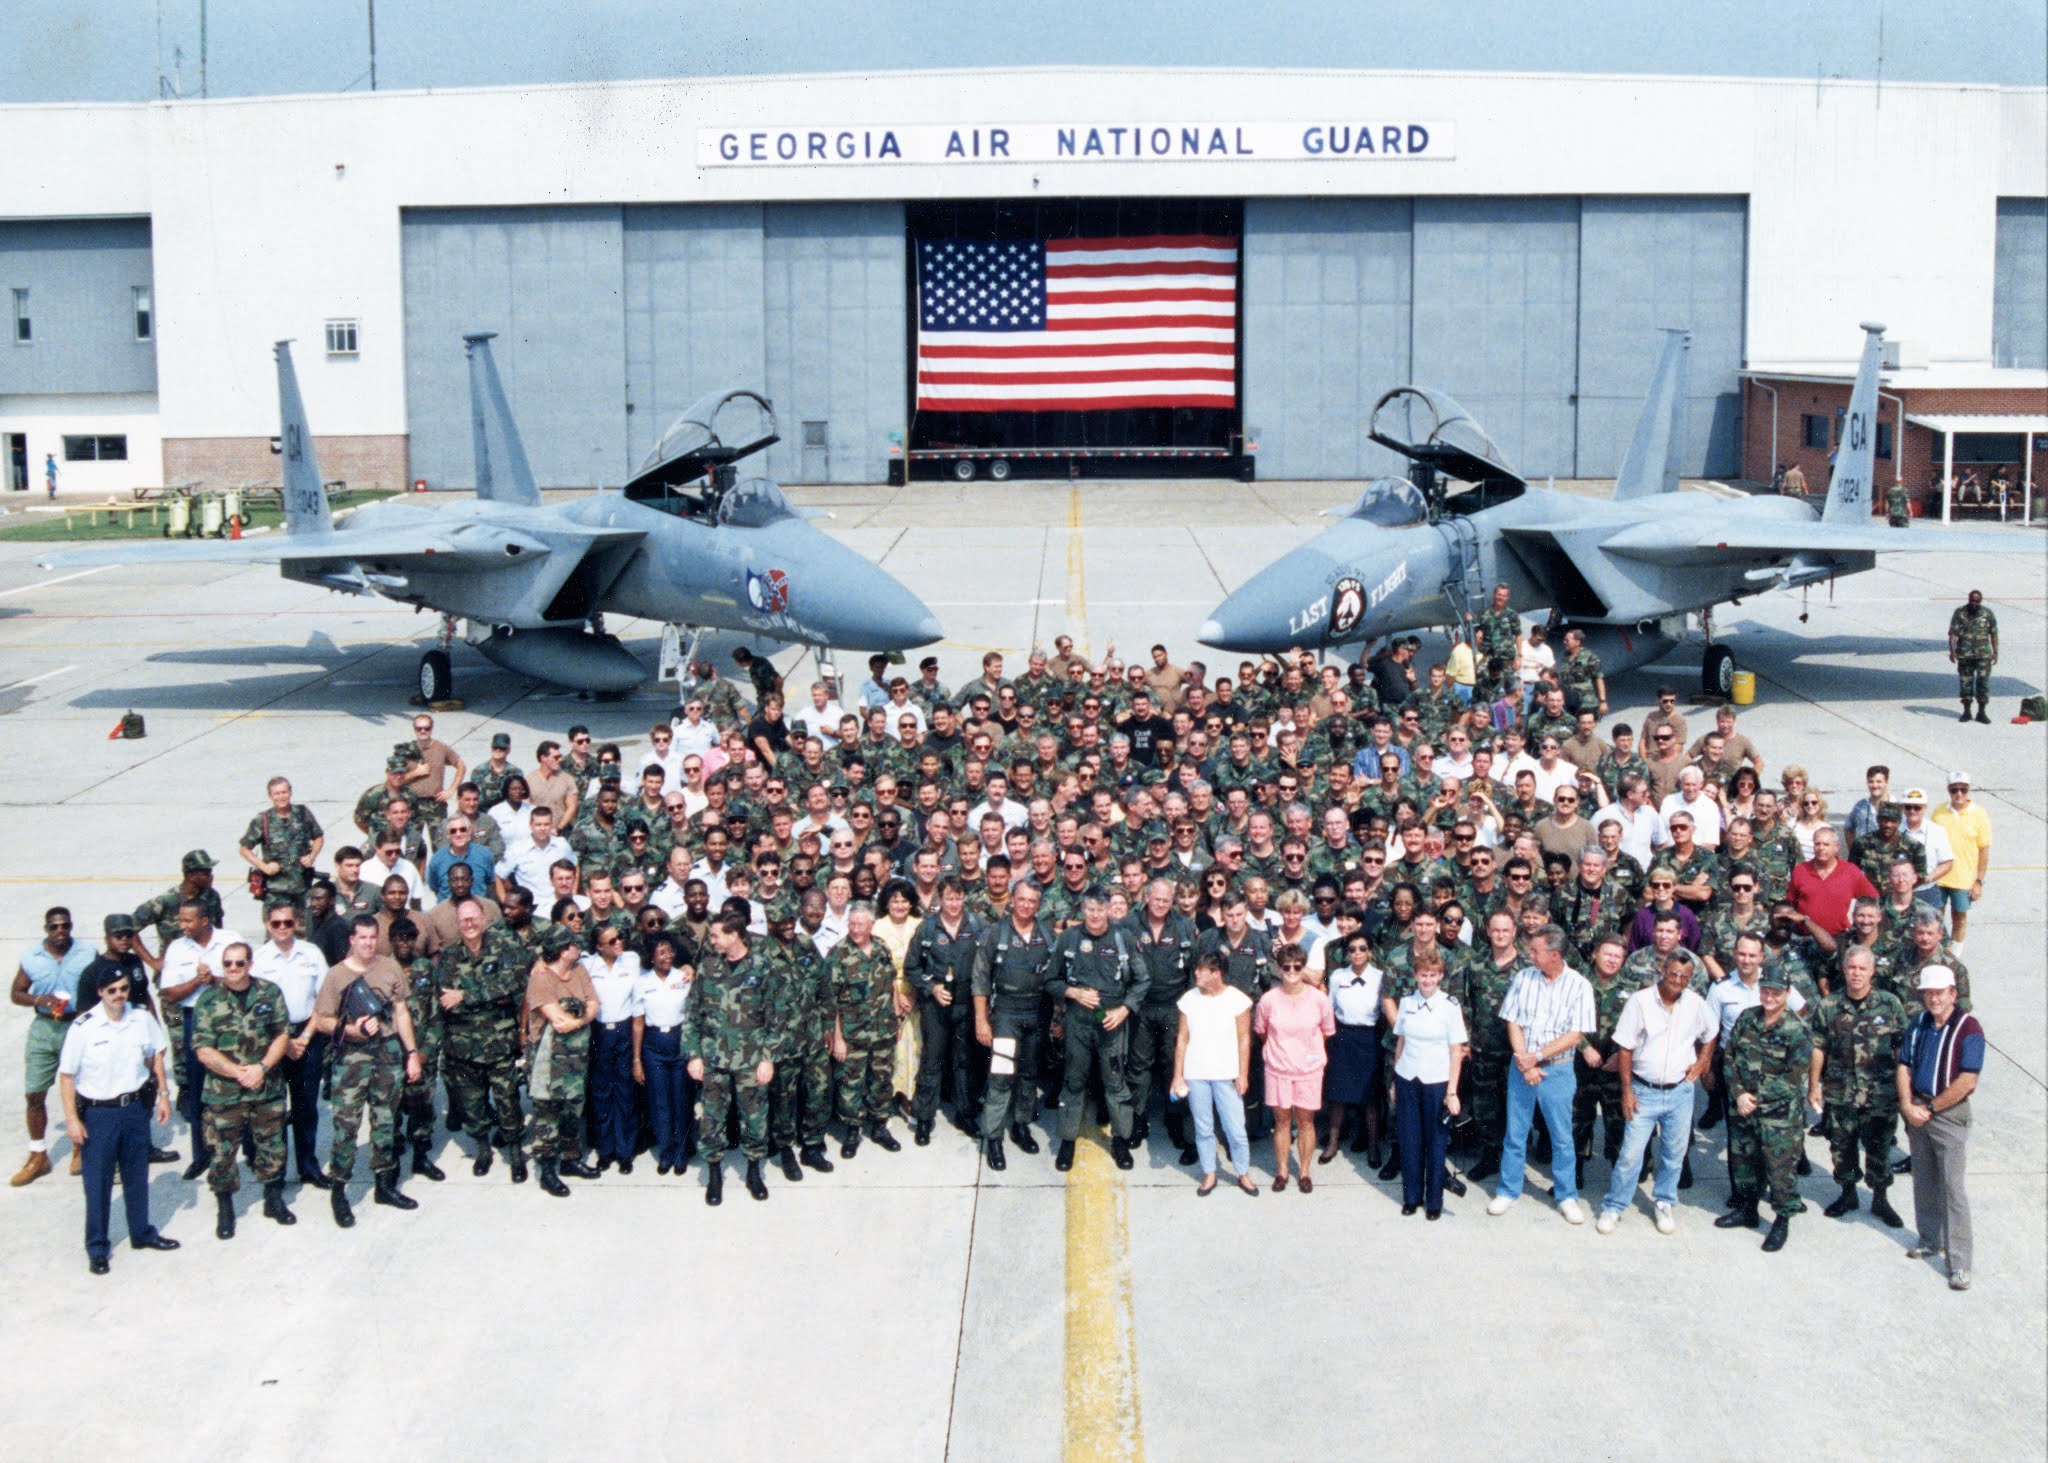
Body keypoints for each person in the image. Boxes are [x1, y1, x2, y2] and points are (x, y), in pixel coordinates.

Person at [57, 964, 179, 1273]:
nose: (119, 995)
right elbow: (67, 1077)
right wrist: (72, 1120)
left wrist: (164, 1094)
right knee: (97, 1183)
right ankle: (97, 1247)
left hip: (135, 1109)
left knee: (137, 1175)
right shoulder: (83, 1027)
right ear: (100, 992)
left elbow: (156, 1056)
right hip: (99, 1114)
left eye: (123, 989)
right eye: (112, 991)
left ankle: (141, 1232)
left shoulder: (140, 1018)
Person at [314, 915, 425, 1226]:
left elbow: (401, 1011)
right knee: (346, 1125)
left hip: (388, 1053)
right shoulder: (336, 975)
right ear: (351, 939)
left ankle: (384, 1185)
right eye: (361, 938)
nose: (367, 943)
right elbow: (322, 1020)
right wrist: (352, 1029)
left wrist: (412, 1053)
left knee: (385, 1120)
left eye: (372, 938)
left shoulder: (389, 968)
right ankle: (339, 1189)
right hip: (351, 1058)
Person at [1596, 952, 1716, 1234]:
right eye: (1673, 974)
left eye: (1684, 977)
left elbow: (1711, 1033)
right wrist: (1626, 1090)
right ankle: (1614, 1205)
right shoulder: (1641, 1001)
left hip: (1680, 1093)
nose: (1677, 981)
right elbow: (1625, 1047)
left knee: (1674, 1154)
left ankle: (1664, 1202)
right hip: (1643, 1091)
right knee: (1630, 1155)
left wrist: (1702, 1062)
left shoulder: (1696, 1003)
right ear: (1663, 969)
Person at [1486, 926, 1596, 1224]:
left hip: (1557, 1071)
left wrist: (1537, 1058)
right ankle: (1508, 1190)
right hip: (1522, 1069)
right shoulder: (1524, 978)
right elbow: (1513, 1022)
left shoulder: (1579, 986)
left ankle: (1567, 1195)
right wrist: (1526, 1063)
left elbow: (1576, 1034)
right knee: (1515, 1133)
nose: (1529, 955)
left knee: (1562, 1137)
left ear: (1555, 955)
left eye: (1535, 951)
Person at [190, 940, 296, 1238]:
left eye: (239, 963)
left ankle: (273, 1201)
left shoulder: (269, 992)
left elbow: (282, 1034)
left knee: (273, 1147)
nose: (233, 969)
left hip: (267, 1088)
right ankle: (225, 1209)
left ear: (250, 964)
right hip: (225, 1093)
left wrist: (261, 1068)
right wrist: (239, 1072)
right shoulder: (209, 1000)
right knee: (222, 1154)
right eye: (227, 964)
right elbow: (203, 1049)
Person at [1808, 945, 1908, 1227]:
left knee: (1879, 1147)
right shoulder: (1828, 1006)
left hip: (1880, 1094)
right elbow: (1818, 1048)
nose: (1856, 974)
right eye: (1851, 967)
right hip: (1841, 1093)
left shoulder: (1889, 1004)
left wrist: (1904, 1091)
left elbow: (1902, 1049)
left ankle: (1880, 1199)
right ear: (1843, 969)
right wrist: (1813, 1085)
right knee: (1842, 1147)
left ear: (1872, 972)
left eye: (1862, 968)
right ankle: (1848, 1194)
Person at [1897, 965, 1983, 1290]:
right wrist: (1907, 1105)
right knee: (1924, 1177)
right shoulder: (1918, 1023)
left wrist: (1930, 1108)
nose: (1933, 998)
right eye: (1928, 993)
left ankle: (1959, 1264)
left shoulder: (1969, 1028)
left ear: (1953, 994)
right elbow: (1904, 1065)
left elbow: (1968, 1081)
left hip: (1947, 1114)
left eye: (1939, 992)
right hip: (1916, 1109)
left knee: (1952, 1188)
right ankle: (1929, 1239)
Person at [1047, 890, 1146, 1172]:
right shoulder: (1069, 939)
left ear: (1108, 911)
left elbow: (1142, 980)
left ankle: (1120, 1140)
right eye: (1089, 909)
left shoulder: (1122, 938)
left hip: (1110, 1022)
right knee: (1074, 1081)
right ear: (1083, 909)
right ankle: (1067, 1141)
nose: (1094, 915)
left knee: (1114, 1082)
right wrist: (1073, 992)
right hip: (1078, 1022)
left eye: (1100, 909)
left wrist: (1125, 1009)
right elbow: (1050, 980)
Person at [1715, 966, 1812, 1252]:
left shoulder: (1798, 1030)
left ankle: (1782, 1221)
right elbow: (1729, 1056)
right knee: (1744, 1162)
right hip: (1743, 1108)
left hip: (1778, 1116)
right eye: (1765, 990)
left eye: (1776, 992)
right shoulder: (1747, 1018)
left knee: (1779, 1169)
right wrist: (1738, 1093)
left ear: (1787, 994)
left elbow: (1794, 1079)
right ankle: (1747, 1209)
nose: (1769, 997)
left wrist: (1754, 1098)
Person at [687, 913, 779, 1205]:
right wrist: (694, 1055)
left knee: (755, 1118)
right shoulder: (708, 966)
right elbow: (693, 1013)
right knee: (712, 1119)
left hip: (751, 1058)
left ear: (734, 935)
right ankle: (714, 1173)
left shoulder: (762, 967)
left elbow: (775, 1018)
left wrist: (768, 1058)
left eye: (715, 935)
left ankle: (754, 1171)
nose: (711, 940)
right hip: (714, 1058)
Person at [972, 881, 1056, 1170]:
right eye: (1022, 900)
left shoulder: (1047, 934)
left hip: (1037, 1013)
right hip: (1006, 1012)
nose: (1027, 905)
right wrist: (982, 1020)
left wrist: (1056, 1018)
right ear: (1013, 900)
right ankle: (993, 1136)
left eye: (1033, 901)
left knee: (1029, 1073)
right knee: (1002, 1074)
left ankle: (1021, 1125)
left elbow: (1057, 978)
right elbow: (981, 979)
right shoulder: (995, 934)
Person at [249, 904, 333, 1188]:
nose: (282, 928)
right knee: (273, 1110)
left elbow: (324, 1000)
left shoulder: (311, 954)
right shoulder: (259, 959)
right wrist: (283, 1044)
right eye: (276, 923)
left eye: (288, 922)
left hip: (307, 1034)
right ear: (267, 925)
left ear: (296, 923)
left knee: (306, 1106)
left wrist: (305, 1037)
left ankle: (308, 1166)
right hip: (273, 1040)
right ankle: (277, 1172)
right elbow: (257, 1007)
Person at [12, 906, 95, 1185]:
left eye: (65, 926)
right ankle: (38, 1154)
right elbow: (16, 992)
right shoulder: (32, 957)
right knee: (34, 1093)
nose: (60, 932)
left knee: (83, 1090)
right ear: (45, 929)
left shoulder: (86, 953)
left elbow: (101, 986)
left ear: (71, 926)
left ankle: (80, 1146)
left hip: (76, 1026)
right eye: (54, 927)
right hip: (45, 1029)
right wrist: (39, 1000)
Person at [1171, 951, 1259, 1196]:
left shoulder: (1238, 1000)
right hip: (1196, 1073)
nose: (1196, 973)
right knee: (1203, 1128)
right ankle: (1210, 1173)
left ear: (1217, 973)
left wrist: (1243, 1074)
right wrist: (1178, 1076)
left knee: (1236, 1129)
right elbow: (1182, 1038)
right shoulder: (1188, 999)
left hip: (1226, 1074)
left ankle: (1242, 1173)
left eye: (1201, 970)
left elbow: (1244, 1039)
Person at [904, 880, 983, 1145]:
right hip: (936, 1005)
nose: (954, 904)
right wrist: (931, 987)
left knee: (964, 1061)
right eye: (949, 898)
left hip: (966, 1004)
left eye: (958, 898)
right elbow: (911, 967)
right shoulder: (927, 928)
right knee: (932, 1061)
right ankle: (924, 1118)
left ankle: (965, 1113)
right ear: (940, 899)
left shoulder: (977, 926)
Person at [1391, 952, 1468, 1219]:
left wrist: (1452, 1092)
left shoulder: (1450, 1006)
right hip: (1407, 1078)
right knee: (1409, 1140)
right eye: (1423, 975)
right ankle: (1411, 1197)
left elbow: (1456, 1051)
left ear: (1440, 977)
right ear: (1415, 976)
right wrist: (1394, 1079)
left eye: (1432, 975)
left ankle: (1433, 1201)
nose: (1427, 980)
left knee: (1436, 1142)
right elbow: (1400, 1042)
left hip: (1436, 1082)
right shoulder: (1406, 1003)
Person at [524, 925, 599, 1197]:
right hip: (549, 1057)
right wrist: (580, 1019)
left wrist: (579, 1020)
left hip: (575, 1056)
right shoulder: (541, 979)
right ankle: (547, 1170)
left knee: (572, 1108)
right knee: (547, 1111)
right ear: (563, 950)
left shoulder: (579, 971)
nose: (578, 948)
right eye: (573, 945)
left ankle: (570, 1159)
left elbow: (593, 1004)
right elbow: (557, 1020)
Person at [1255, 943, 1335, 1191]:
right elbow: (1261, 1031)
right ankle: (1282, 1172)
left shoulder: (1319, 999)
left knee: (1305, 1121)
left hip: (1308, 1071)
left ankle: (1304, 1172)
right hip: (1278, 1069)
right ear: (1278, 968)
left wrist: (1309, 1054)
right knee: (1280, 1122)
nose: (1291, 971)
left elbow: (1326, 1032)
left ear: (1304, 968)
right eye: (1286, 966)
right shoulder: (1268, 1000)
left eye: (1297, 966)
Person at [829, 901, 903, 1159]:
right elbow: (832, 1001)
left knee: (882, 1079)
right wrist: (837, 1038)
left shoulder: (882, 947)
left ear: (872, 924)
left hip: (883, 1030)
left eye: (861, 924)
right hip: (853, 1035)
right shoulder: (838, 953)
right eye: (852, 923)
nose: (856, 928)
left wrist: (897, 1018)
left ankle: (880, 1126)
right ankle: (852, 1129)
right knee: (852, 1083)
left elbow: (891, 982)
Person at [581, 922, 643, 1174]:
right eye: (611, 941)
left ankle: (625, 1152)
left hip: (624, 1030)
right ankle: (605, 1151)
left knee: (625, 1092)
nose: (619, 943)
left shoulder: (631, 961)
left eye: (620, 938)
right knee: (601, 1093)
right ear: (598, 946)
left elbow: (637, 1003)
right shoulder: (587, 965)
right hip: (598, 1032)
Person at [1319, 933, 1384, 1166]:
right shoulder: (1338, 976)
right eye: (1352, 949)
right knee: (1337, 1095)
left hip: (1368, 1038)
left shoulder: (1380, 977)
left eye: (1362, 948)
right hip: (1343, 1037)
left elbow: (1385, 1010)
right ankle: (1333, 1143)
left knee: (1370, 1097)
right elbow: (1329, 1008)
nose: (1357, 953)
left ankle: (1374, 1147)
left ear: (1370, 952)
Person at [633, 933, 695, 1177]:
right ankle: (666, 1152)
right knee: (660, 1103)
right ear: (651, 957)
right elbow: (638, 1022)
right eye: (661, 952)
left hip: (679, 1041)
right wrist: (637, 1060)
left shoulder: (684, 977)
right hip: (654, 1044)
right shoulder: (642, 982)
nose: (667, 956)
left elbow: (693, 1012)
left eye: (670, 951)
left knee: (681, 1100)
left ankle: (681, 1152)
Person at [237, 776, 324, 914]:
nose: (281, 797)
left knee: (305, 931)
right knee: (277, 929)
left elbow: (318, 837)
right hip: (276, 892)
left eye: (284, 792)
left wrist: (312, 856)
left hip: (302, 888)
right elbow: (244, 849)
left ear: (290, 792)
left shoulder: (302, 813)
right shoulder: (262, 820)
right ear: (270, 796)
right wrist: (264, 867)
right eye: (277, 794)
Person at [1929, 772, 1992, 945]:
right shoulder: (1939, 812)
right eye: (1954, 790)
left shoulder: (1979, 814)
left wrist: (1978, 881)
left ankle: (1955, 955)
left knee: (1960, 917)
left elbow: (1983, 850)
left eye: (1963, 790)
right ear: (1948, 790)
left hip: (1963, 879)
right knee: (1935, 918)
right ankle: (1939, 951)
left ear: (1968, 790)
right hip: (1939, 877)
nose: (1959, 794)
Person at [1946, 589, 1998, 724]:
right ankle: (1967, 711)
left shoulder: (1987, 613)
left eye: (1976, 601)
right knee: (1966, 684)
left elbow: (1993, 634)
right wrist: (1952, 651)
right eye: (1971, 600)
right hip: (1965, 655)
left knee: (1983, 684)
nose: (1973, 603)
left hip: (1983, 656)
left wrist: (1995, 652)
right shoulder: (1960, 613)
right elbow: (1953, 633)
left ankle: (1982, 712)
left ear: (1980, 601)